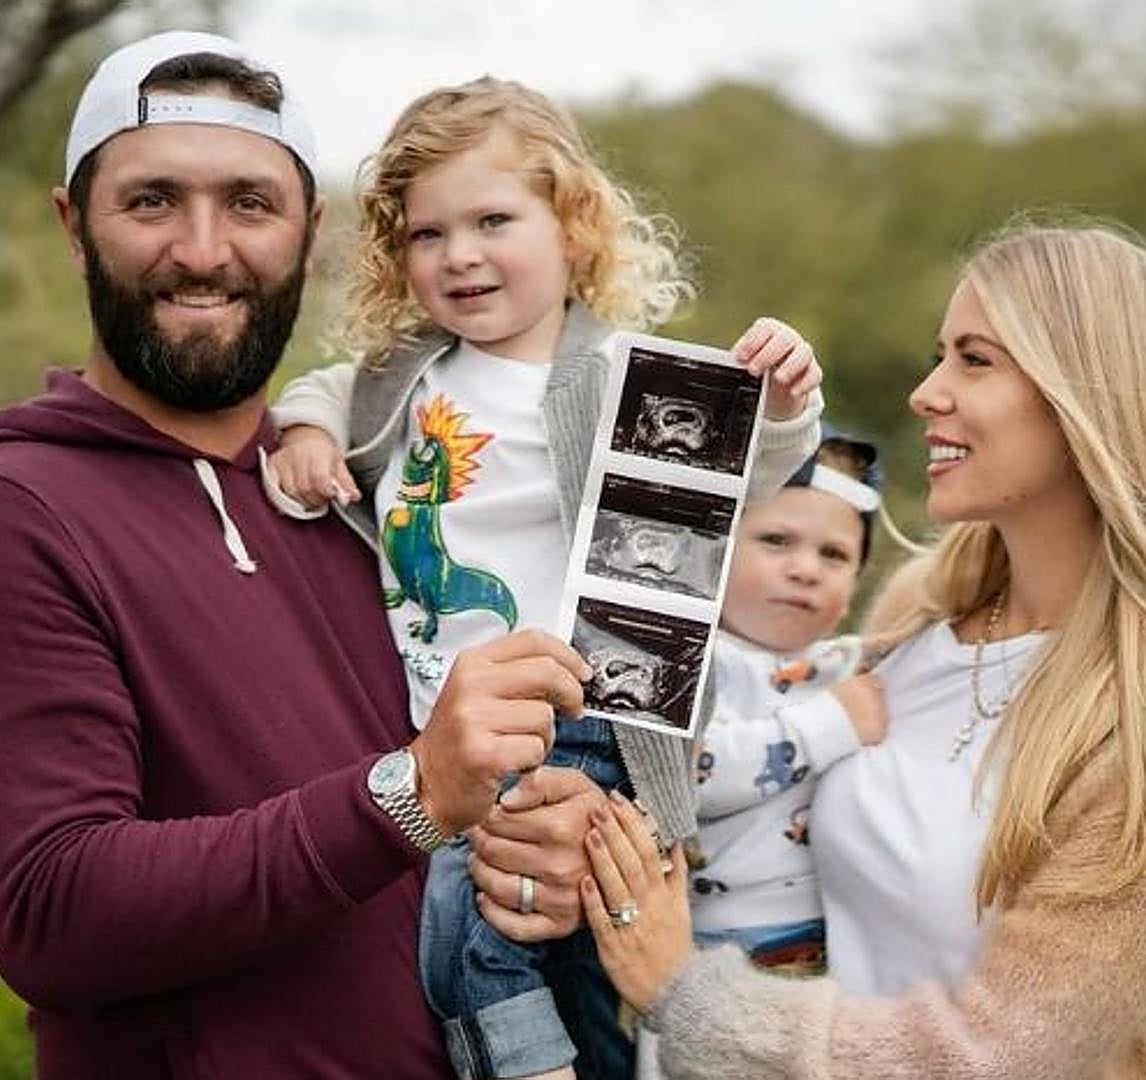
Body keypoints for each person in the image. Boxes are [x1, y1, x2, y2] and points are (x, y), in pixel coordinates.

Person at [0, 32, 583, 1079]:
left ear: (310, 232)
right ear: (75, 228)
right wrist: (412, 795)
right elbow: (52, 912)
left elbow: (445, 812)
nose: (204, 251)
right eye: (152, 201)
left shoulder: (354, 491)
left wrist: (539, 844)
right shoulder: (1, 522)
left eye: (250, 204)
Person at [577, 224, 1146, 1078]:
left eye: (975, 360)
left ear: (1089, 397)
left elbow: (992, 1057)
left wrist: (686, 990)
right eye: (940, 357)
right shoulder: (924, 611)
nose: (926, 394)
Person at [260, 77, 825, 1080]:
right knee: (571, 969)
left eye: (492, 221)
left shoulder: (621, 377)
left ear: (571, 227)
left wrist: (781, 407)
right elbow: (323, 388)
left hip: (581, 709)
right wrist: (306, 431)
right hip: (443, 721)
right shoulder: (405, 374)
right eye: (427, 234)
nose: (459, 254)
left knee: (472, 926)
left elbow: (745, 477)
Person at [686, 433, 887, 971]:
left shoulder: (854, 665)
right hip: (716, 949)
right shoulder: (693, 660)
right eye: (776, 541)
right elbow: (687, 779)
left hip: (850, 948)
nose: (806, 569)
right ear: (715, 548)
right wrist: (829, 723)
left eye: (834, 554)